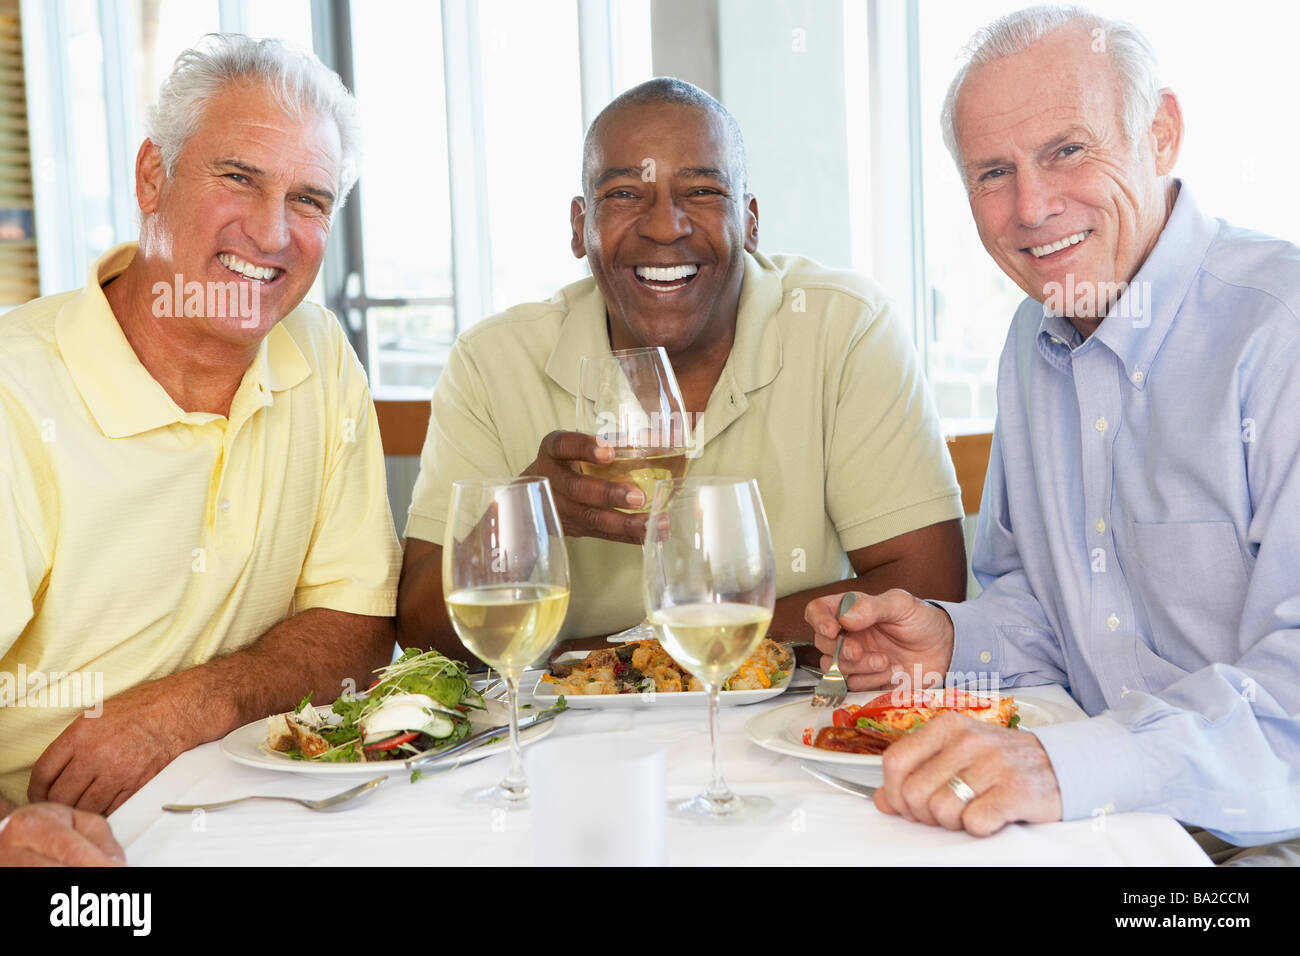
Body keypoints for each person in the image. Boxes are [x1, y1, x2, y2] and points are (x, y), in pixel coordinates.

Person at [807, 6, 1300, 862]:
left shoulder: (1280, 334)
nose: (1032, 207)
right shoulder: (1031, 346)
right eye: (993, 172)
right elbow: (1048, 608)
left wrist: (1062, 766)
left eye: (1067, 150)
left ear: (1161, 134)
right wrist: (952, 640)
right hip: (1114, 824)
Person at [397, 78, 967, 656]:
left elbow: (929, 592)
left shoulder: (845, 327)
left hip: (789, 727)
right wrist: (526, 515)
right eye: (623, 194)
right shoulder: (491, 361)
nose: (665, 227)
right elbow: (419, 629)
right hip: (568, 739)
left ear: (750, 222)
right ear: (578, 227)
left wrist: (637, 653)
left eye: (701, 192)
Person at [0, 34, 401, 820]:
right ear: (155, 176)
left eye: (309, 199)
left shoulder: (318, 356)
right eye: (239, 178)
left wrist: (195, 703)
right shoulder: (16, 393)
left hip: (270, 808)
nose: (273, 232)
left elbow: (356, 624)